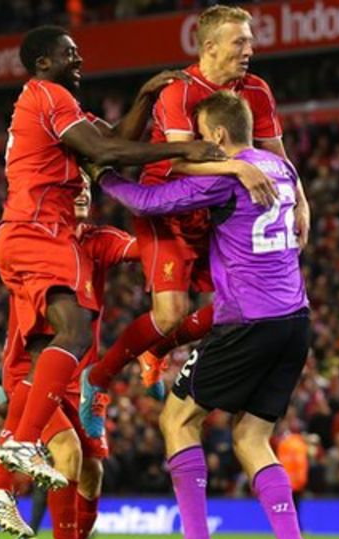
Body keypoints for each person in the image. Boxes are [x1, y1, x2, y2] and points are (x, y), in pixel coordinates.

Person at [0, 23, 239, 497]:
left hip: (35, 233)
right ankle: (21, 446)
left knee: (67, 356)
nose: (79, 61)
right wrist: (183, 147)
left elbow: (111, 140)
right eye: (70, 53)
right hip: (36, 229)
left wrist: (144, 98)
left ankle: (16, 479)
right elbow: (105, 153)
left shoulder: (56, 106)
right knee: (74, 335)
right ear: (44, 62)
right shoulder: (47, 94)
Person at [92, 91, 316, 539]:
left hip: (248, 322)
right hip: (296, 320)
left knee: (177, 419)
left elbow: (151, 201)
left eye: (198, 138)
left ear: (215, 136)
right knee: (253, 437)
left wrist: (106, 176)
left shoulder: (226, 179)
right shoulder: (283, 170)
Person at [80, 5, 309, 431]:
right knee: (170, 314)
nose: (250, 49)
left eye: (250, 40)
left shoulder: (255, 90)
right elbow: (182, 163)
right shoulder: (179, 91)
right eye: (240, 41)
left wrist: (300, 200)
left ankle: (156, 349)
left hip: (213, 207)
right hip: (167, 205)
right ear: (209, 46)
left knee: (234, 306)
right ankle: (97, 380)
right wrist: (237, 167)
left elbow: (277, 157)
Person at [0, 186, 135, 539]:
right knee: (69, 453)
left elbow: (141, 249)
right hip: (31, 371)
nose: (79, 190)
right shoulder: (34, 241)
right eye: (71, 184)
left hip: (84, 378)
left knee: (92, 474)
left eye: (86, 185)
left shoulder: (97, 241)